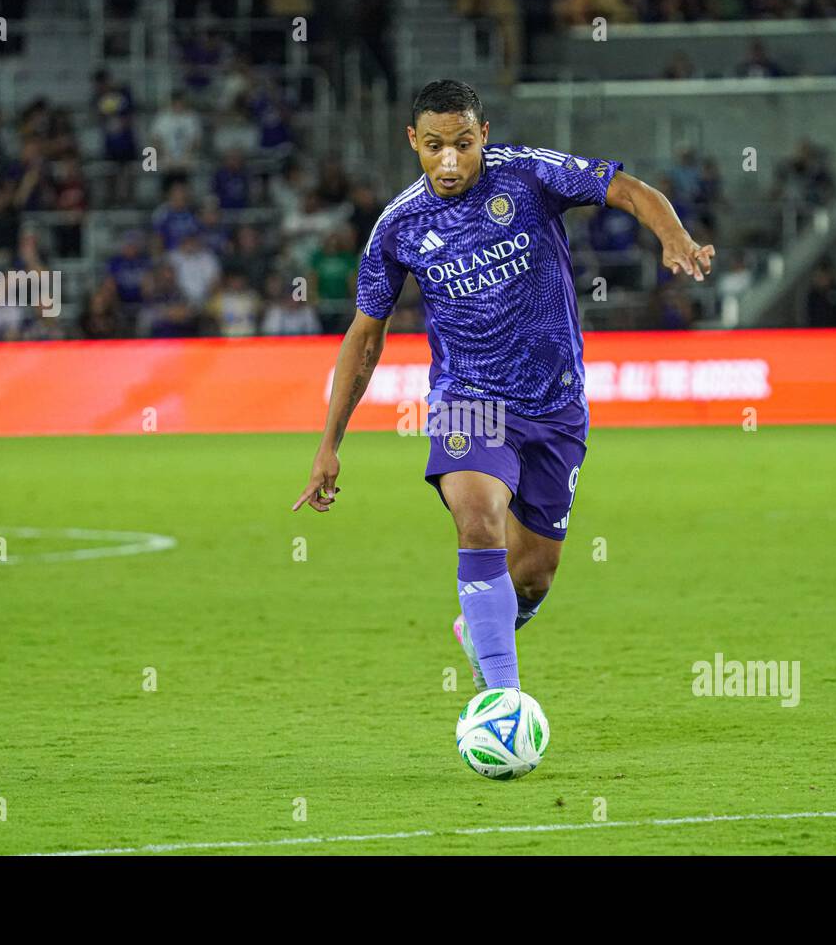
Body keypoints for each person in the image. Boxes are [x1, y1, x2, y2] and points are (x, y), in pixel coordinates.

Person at [292, 79, 713, 695]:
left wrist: (671, 234)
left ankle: (483, 628)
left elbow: (626, 190)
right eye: (434, 145)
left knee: (536, 575)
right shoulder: (399, 226)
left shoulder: (529, 175)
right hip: (471, 401)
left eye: (463, 143)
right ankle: (502, 699)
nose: (450, 159)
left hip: (555, 401)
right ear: (413, 141)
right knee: (478, 521)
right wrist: (329, 443)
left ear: (483, 134)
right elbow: (364, 337)